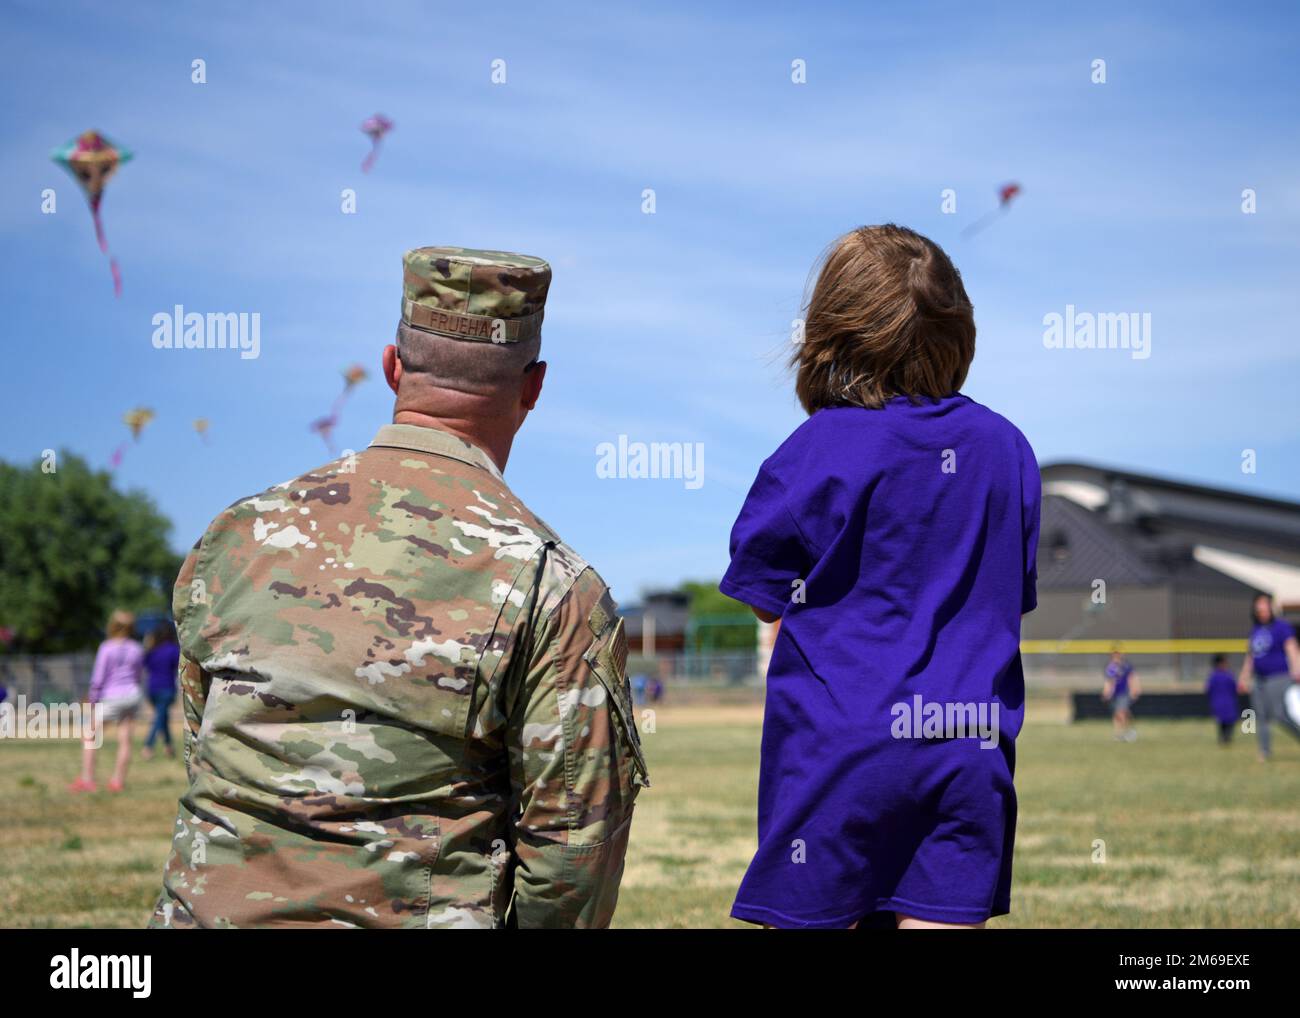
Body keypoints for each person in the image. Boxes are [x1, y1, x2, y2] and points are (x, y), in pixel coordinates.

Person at [149, 247, 647, 929]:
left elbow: (205, 747)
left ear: (392, 368)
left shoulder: (237, 535)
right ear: (533, 388)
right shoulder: (551, 586)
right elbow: (571, 856)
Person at [720, 225, 1040, 929]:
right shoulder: (1008, 449)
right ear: (960, 328)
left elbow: (764, 596)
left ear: (834, 326)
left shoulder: (817, 448)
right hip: (969, 751)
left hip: (841, 758)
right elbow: (1008, 598)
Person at [72, 609, 144, 793]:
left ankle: (87, 779)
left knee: (90, 737)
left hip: (111, 697)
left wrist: (92, 700)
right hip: (132, 696)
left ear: (112, 625)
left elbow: (98, 678)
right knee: (125, 740)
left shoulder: (107, 647)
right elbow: (137, 675)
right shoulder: (136, 648)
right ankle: (117, 781)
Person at [1238, 593, 1300, 761]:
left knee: (1280, 714)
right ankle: (1264, 751)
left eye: (1265, 608)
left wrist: (1297, 669)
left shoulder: (1282, 627)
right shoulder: (1256, 630)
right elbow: (1251, 656)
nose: (1262, 612)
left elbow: (1292, 648)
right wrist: (1244, 677)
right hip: (1259, 678)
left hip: (1279, 676)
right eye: (1259, 609)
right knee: (1260, 715)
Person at [141, 621, 180, 759]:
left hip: (152, 689)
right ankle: (148, 746)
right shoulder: (173, 650)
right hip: (167, 688)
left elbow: (143, 664)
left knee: (162, 716)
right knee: (160, 717)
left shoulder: (152, 650)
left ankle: (169, 747)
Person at [1101, 647, 1140, 742]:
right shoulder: (1110, 667)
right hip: (1114, 694)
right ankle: (1118, 734)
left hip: (1124, 693)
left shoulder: (1126, 666)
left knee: (1121, 712)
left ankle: (1128, 732)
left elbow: (1132, 677)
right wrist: (1106, 692)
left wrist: (1135, 688)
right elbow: (1109, 681)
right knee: (1117, 714)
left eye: (1118, 654)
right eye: (1114, 654)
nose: (1116, 656)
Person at [1205, 653, 1238, 745]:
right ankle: (1227, 738)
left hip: (1217, 703)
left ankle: (1222, 738)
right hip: (1228, 702)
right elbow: (1234, 688)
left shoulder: (1212, 676)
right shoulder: (1229, 675)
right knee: (1229, 722)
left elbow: (1208, 689)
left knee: (1221, 722)